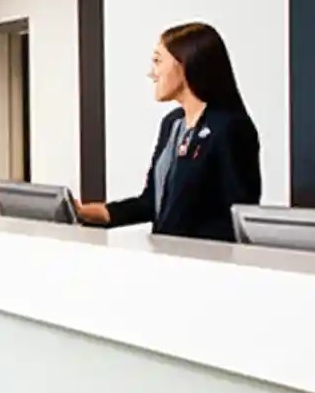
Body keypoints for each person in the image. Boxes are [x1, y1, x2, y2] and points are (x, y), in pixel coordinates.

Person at [76, 22, 261, 242]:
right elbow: (150, 203)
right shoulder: (172, 124)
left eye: (157, 61)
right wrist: (84, 212)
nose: (151, 73)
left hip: (205, 267)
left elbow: (239, 217)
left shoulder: (230, 127)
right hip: (167, 261)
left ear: (185, 64)